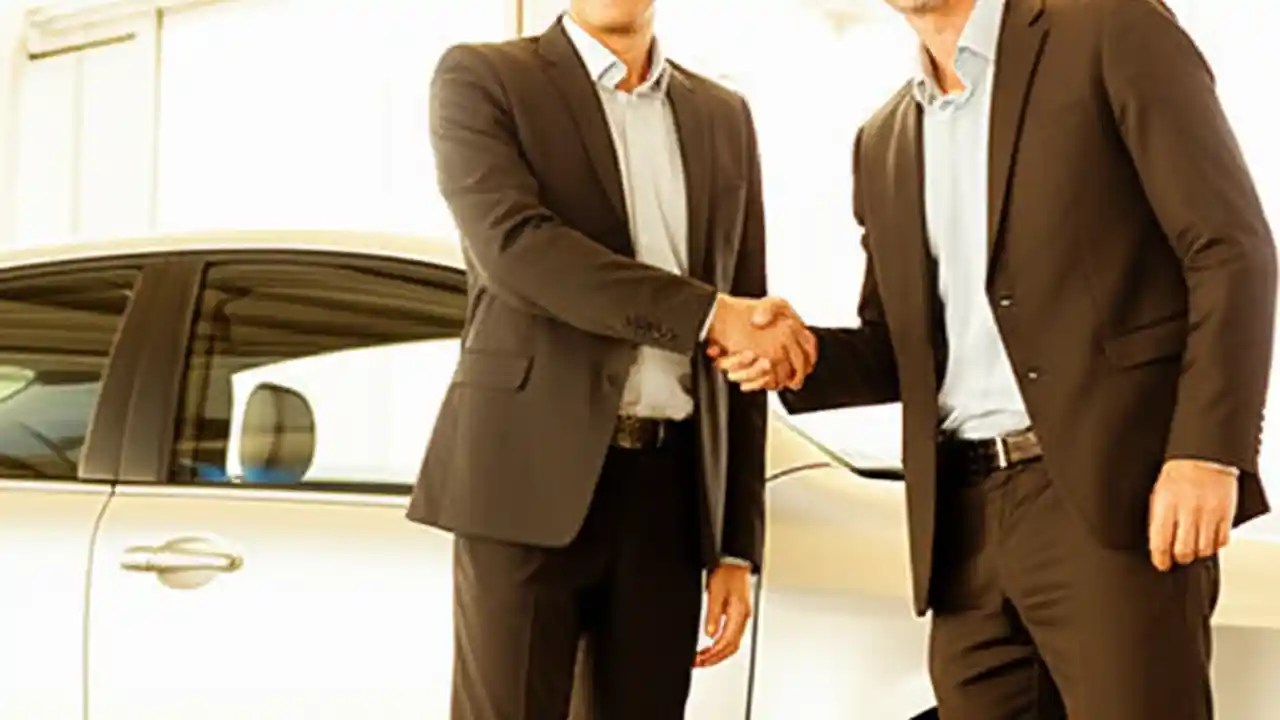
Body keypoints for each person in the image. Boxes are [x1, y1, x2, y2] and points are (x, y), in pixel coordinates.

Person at [716, 0, 1275, 717]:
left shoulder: (1109, 28)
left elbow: (1230, 249)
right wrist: (797, 355)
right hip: (964, 527)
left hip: (1109, 505)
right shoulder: (884, 140)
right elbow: (901, 347)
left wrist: (1207, 451)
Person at [406, 1, 815, 718]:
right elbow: (519, 249)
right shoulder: (483, 78)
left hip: (667, 495)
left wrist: (735, 543)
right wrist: (708, 313)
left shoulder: (724, 116)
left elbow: (743, 328)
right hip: (523, 482)